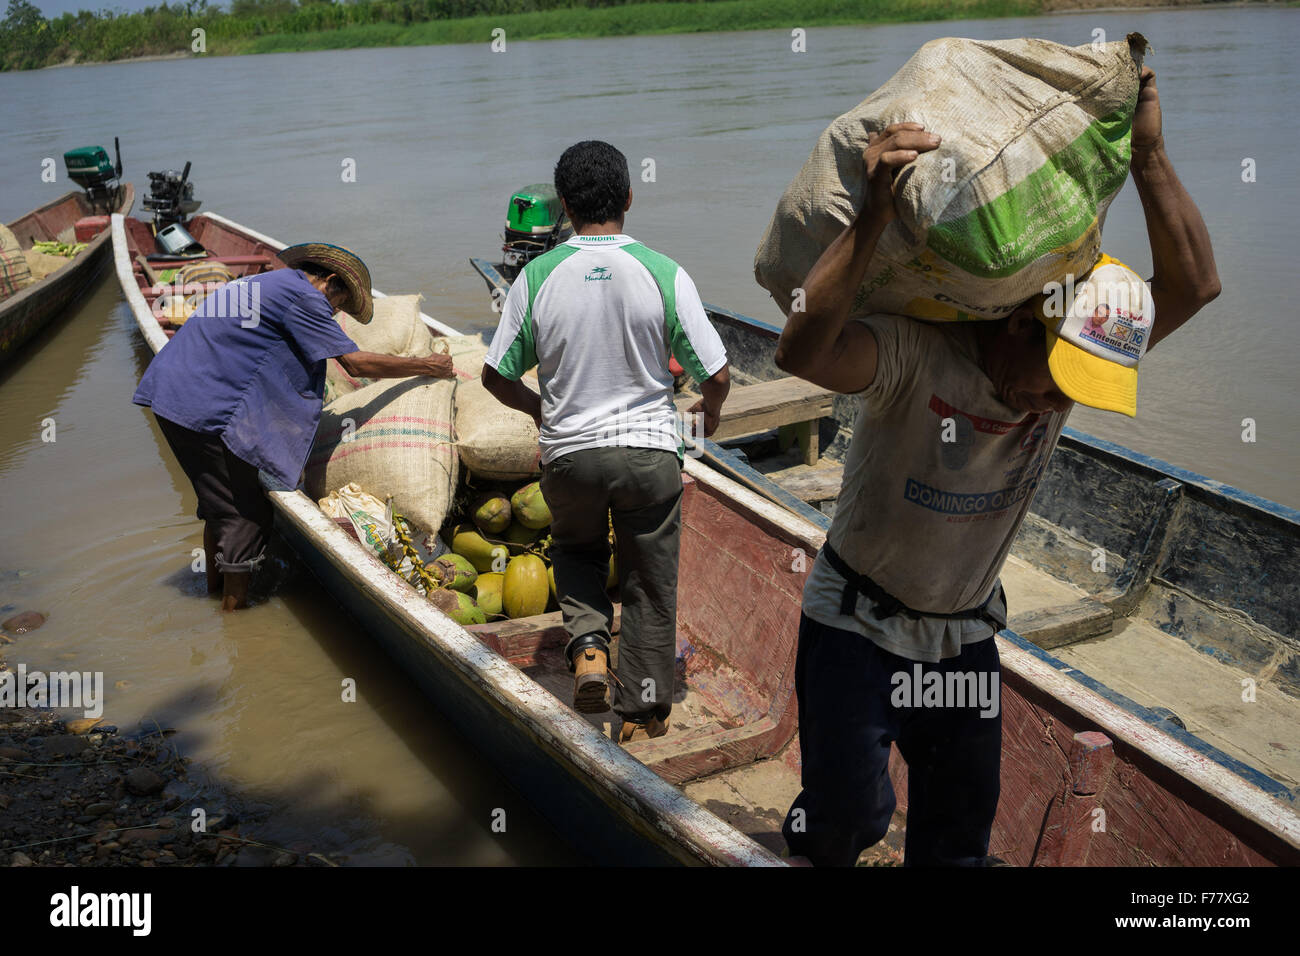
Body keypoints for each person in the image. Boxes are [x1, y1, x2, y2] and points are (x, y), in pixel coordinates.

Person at [773, 67, 1219, 865]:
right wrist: (873, 217)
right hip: (856, 628)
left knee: (958, 837)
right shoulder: (917, 353)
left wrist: (1148, 155)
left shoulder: (1073, 350)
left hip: (963, 636)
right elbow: (805, 351)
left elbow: (1196, 285)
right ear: (1018, 324)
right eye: (1053, 387)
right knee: (846, 820)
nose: (1052, 408)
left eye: (1072, 395)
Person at [482, 141, 731, 743]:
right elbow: (718, 374)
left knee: (576, 550)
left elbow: (495, 375)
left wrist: (546, 411)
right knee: (649, 576)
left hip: (570, 455)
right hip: (649, 453)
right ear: (627, 198)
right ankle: (647, 707)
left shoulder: (536, 276)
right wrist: (709, 414)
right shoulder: (664, 271)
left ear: (564, 206)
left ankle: (590, 649)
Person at [133, 243, 454, 611]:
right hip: (207, 408)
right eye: (337, 304)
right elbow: (354, 364)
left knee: (219, 504)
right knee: (246, 513)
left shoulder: (266, 284)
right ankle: (232, 618)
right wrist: (427, 366)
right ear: (329, 281)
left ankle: (211, 594)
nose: (333, 313)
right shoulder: (305, 297)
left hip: (173, 396)